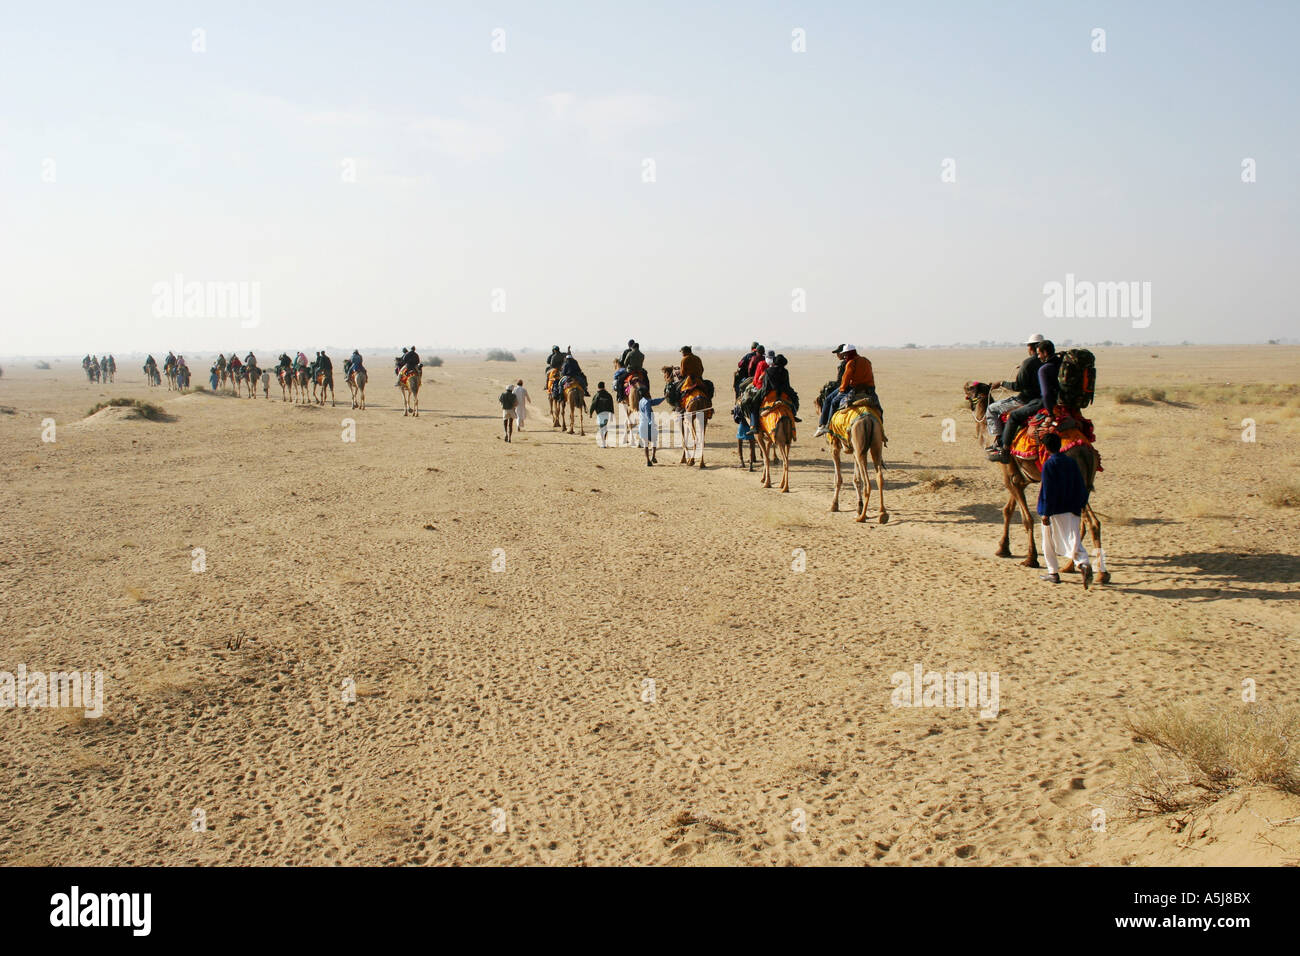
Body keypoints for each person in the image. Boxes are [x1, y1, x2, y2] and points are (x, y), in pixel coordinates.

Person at [1037, 432, 1093, 587]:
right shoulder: (1071, 462)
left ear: (1046, 448)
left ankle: (1052, 573)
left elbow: (1047, 490)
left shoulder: (1049, 464)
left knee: (1048, 542)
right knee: (1073, 540)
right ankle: (1083, 563)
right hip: (1073, 508)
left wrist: (1046, 512)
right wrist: (1081, 504)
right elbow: (1080, 484)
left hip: (1054, 510)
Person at [994, 340, 1059, 461]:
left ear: (1045, 352)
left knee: (1013, 416)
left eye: (1039, 354)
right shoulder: (1060, 362)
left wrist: (1050, 413)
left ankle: (1005, 451)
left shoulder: (1044, 369)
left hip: (1044, 402)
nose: (1038, 356)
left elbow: (1045, 394)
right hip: (1062, 402)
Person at [986, 333, 1044, 449]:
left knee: (991, 409)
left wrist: (1002, 383)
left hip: (1026, 400)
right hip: (1045, 399)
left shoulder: (1028, 363)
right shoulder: (1049, 360)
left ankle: (999, 442)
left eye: (1028, 346)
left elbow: (1018, 386)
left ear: (1031, 347)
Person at [814, 344, 876, 436]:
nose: (844, 356)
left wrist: (841, 390)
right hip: (869, 389)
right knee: (878, 407)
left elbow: (846, 379)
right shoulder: (866, 360)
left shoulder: (851, 362)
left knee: (832, 401)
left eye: (845, 354)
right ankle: (881, 430)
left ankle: (827, 425)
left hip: (854, 388)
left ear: (848, 353)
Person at [637, 387, 665, 465]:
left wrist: (664, 398)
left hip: (642, 424)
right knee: (654, 441)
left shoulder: (641, 401)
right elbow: (648, 413)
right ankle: (653, 457)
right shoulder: (647, 402)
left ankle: (648, 461)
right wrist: (651, 422)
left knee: (646, 444)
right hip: (648, 424)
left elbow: (655, 402)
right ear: (646, 393)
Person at [589, 381, 616, 447]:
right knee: (605, 428)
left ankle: (603, 443)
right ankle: (604, 441)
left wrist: (591, 413)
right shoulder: (609, 395)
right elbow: (611, 405)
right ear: (604, 387)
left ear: (598, 387)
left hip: (600, 414)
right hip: (607, 413)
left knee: (601, 428)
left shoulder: (597, 395)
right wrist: (612, 414)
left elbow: (593, 404)